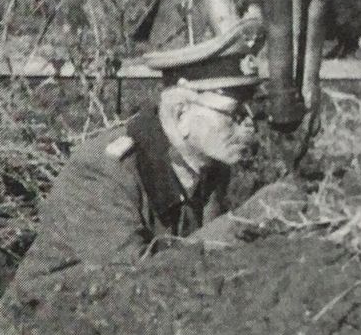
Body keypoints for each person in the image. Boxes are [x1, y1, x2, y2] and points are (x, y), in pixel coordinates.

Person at [15, 20, 282, 286]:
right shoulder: (102, 173)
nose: (249, 125)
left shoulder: (211, 164)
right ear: (181, 113)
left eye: (252, 113)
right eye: (235, 113)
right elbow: (137, 285)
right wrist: (238, 224)